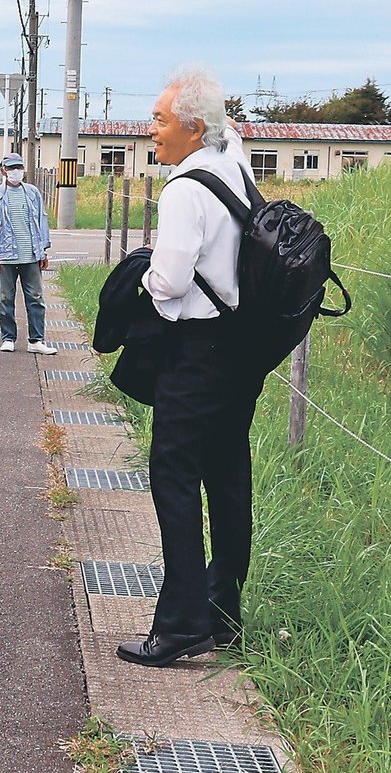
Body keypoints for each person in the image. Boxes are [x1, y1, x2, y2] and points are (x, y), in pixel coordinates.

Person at [116, 67, 266, 667]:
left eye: (159, 120)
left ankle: (181, 623)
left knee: (173, 477)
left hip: (196, 350)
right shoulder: (236, 165)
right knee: (228, 473)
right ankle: (222, 609)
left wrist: (148, 274)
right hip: (240, 348)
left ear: (192, 127)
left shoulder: (182, 188)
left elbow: (170, 283)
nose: (150, 130)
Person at [0, 153, 57, 355]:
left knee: (36, 297)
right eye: (11, 168)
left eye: (19, 167)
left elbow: (42, 221)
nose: (16, 171)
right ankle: (8, 337)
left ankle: (36, 339)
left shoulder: (32, 193)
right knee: (6, 297)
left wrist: (43, 251)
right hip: (5, 255)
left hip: (31, 254)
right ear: (3, 171)